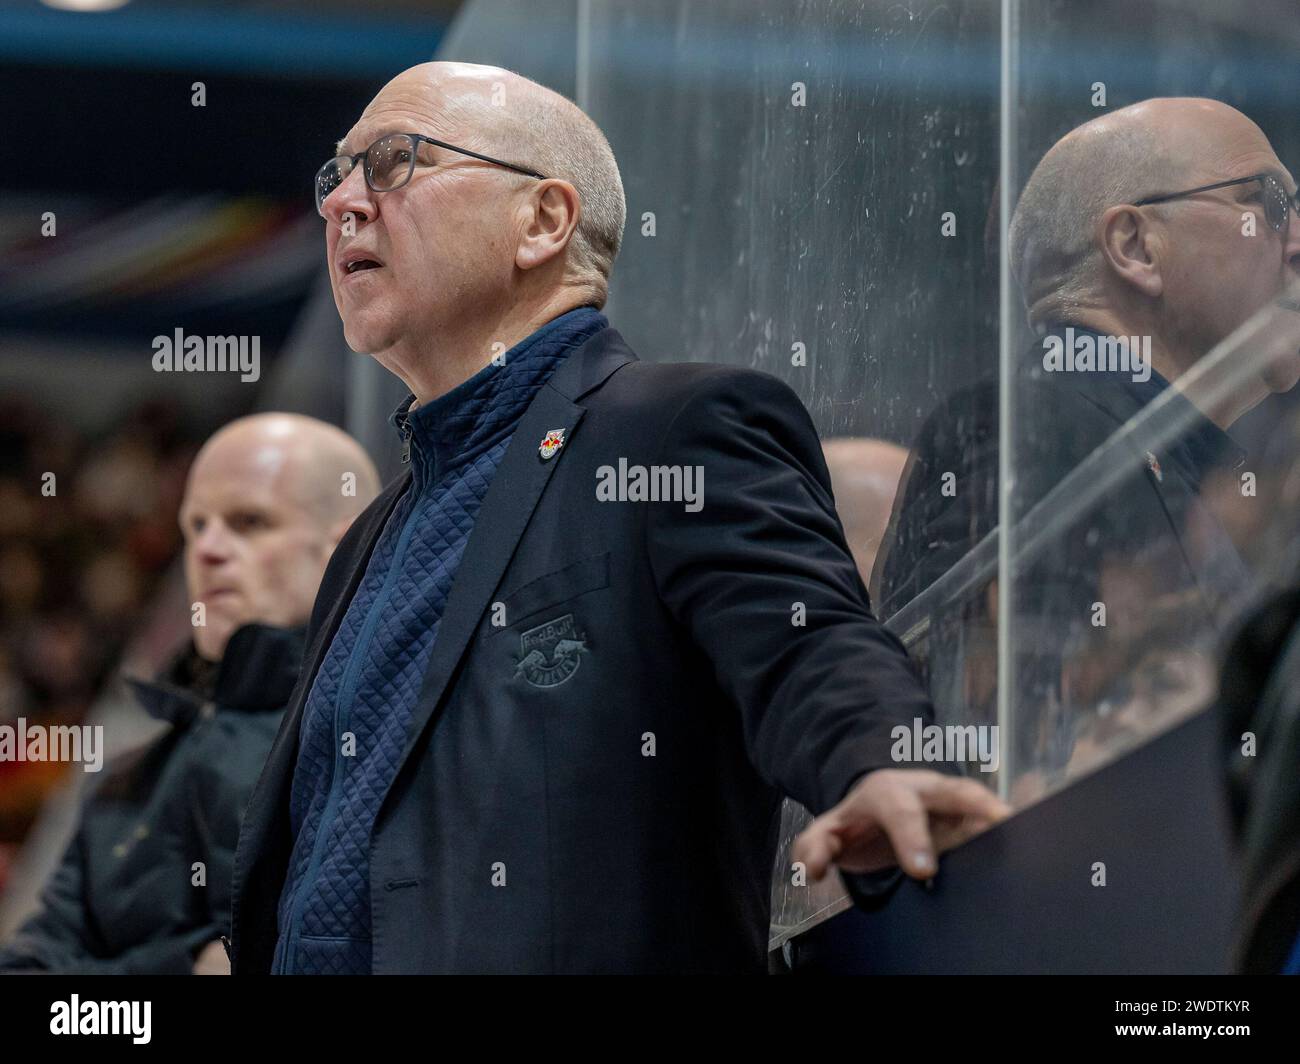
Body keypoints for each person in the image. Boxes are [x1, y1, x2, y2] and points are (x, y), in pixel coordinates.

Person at [230, 61, 1006, 976]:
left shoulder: (673, 429)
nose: (341, 205)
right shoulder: (372, 537)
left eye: (394, 163)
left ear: (544, 221)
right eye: (337, 174)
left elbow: (807, 638)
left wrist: (879, 759)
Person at [874, 97, 1300, 792]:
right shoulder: (1025, 429)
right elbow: (1002, 775)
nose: (1297, 239)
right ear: (1135, 246)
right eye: (1268, 202)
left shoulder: (1157, 456)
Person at [0, 414, 379, 974]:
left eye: (249, 522)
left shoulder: (379, 747)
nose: (207, 550)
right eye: (195, 527)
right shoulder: (129, 776)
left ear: (345, 544)